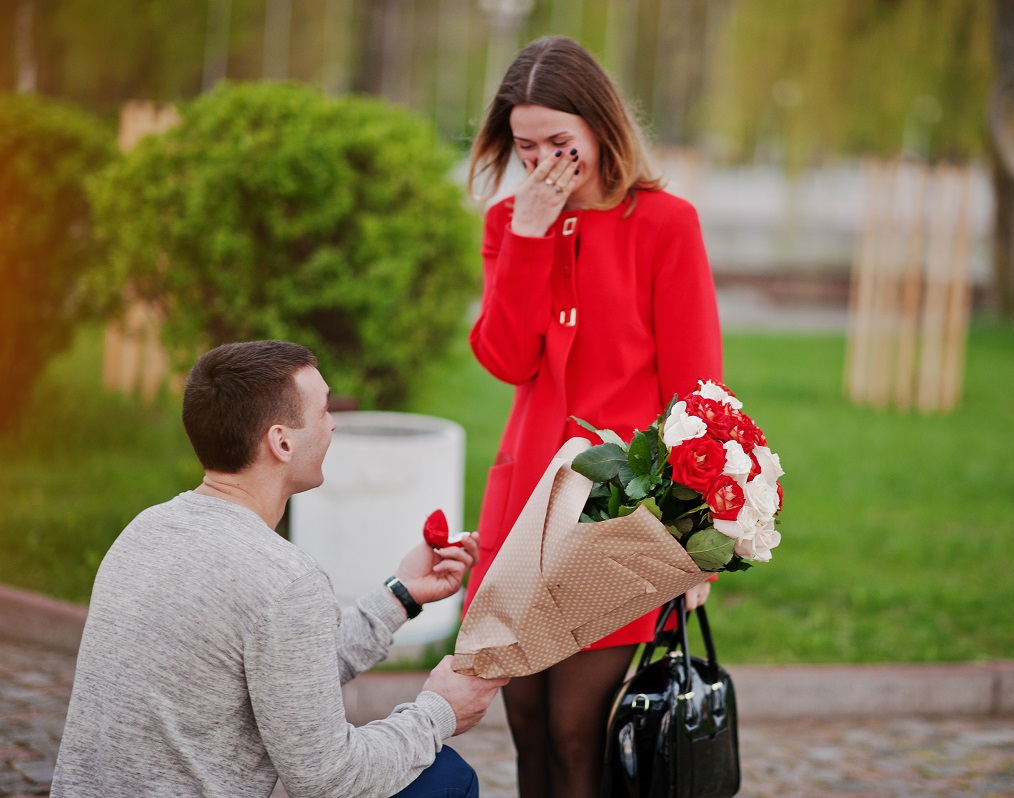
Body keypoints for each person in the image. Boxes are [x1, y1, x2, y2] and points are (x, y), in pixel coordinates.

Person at [51, 340, 508, 798]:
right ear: (282, 442)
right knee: (445, 778)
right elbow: (329, 779)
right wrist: (439, 712)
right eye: (324, 410)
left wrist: (402, 595)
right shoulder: (284, 580)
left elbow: (287, 678)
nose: (332, 425)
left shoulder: (145, 530)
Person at [463, 35, 723, 798]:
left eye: (559, 144)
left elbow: (695, 389)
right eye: (524, 146)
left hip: (619, 512)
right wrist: (530, 239)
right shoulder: (510, 223)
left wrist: (695, 537)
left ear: (601, 130)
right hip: (522, 511)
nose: (542, 164)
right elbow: (506, 358)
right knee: (527, 730)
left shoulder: (665, 223)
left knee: (578, 734)